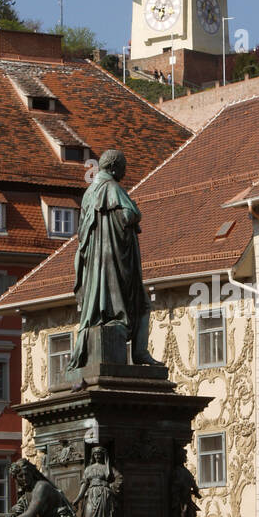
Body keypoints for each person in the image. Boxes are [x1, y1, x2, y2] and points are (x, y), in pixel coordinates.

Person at [68, 148, 162, 370]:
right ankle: (139, 352)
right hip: (116, 261)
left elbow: (82, 233)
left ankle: (137, 351)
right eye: (123, 168)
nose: (124, 172)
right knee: (142, 305)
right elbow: (130, 214)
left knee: (126, 307)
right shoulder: (112, 187)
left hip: (95, 266)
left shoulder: (89, 193)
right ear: (113, 168)